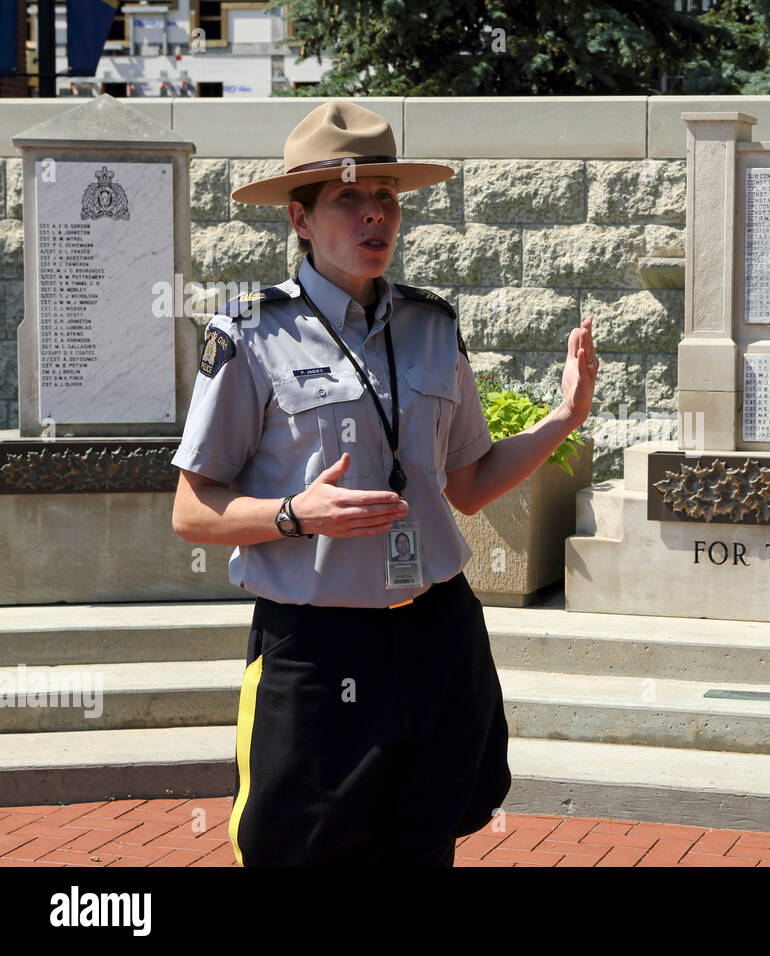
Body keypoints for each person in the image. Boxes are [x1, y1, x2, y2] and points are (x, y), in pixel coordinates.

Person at [169, 101, 598, 867]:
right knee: (297, 852)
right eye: (348, 200)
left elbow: (466, 485)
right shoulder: (248, 334)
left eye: (387, 199)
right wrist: (298, 514)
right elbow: (192, 512)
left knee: (428, 842)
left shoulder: (433, 327)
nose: (376, 217)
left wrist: (562, 418)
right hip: (318, 648)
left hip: (436, 634)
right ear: (300, 219)